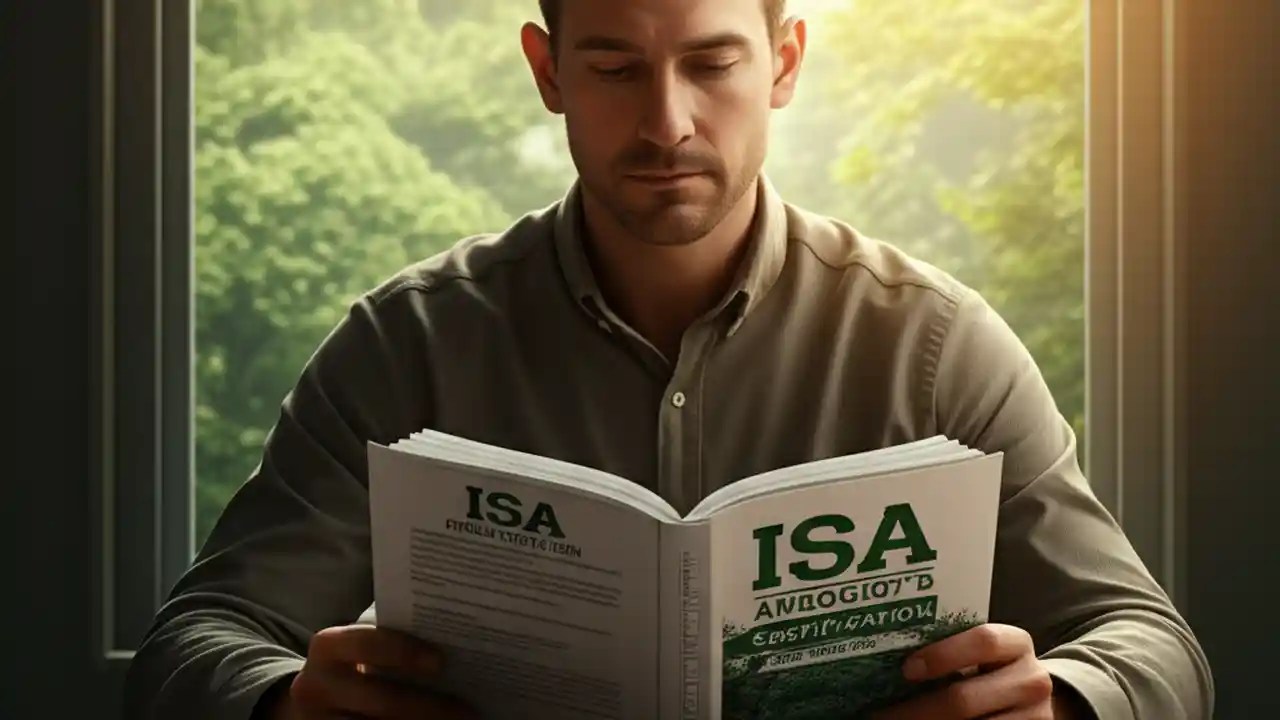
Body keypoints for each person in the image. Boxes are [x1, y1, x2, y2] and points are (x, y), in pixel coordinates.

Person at [124, 0, 1214, 718]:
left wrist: (1063, 700)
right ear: (546, 71)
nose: (666, 122)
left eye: (711, 63)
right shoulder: (406, 345)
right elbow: (193, 643)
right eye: (612, 67)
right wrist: (279, 702)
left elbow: (1155, 648)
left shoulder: (932, 344)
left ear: (782, 63)